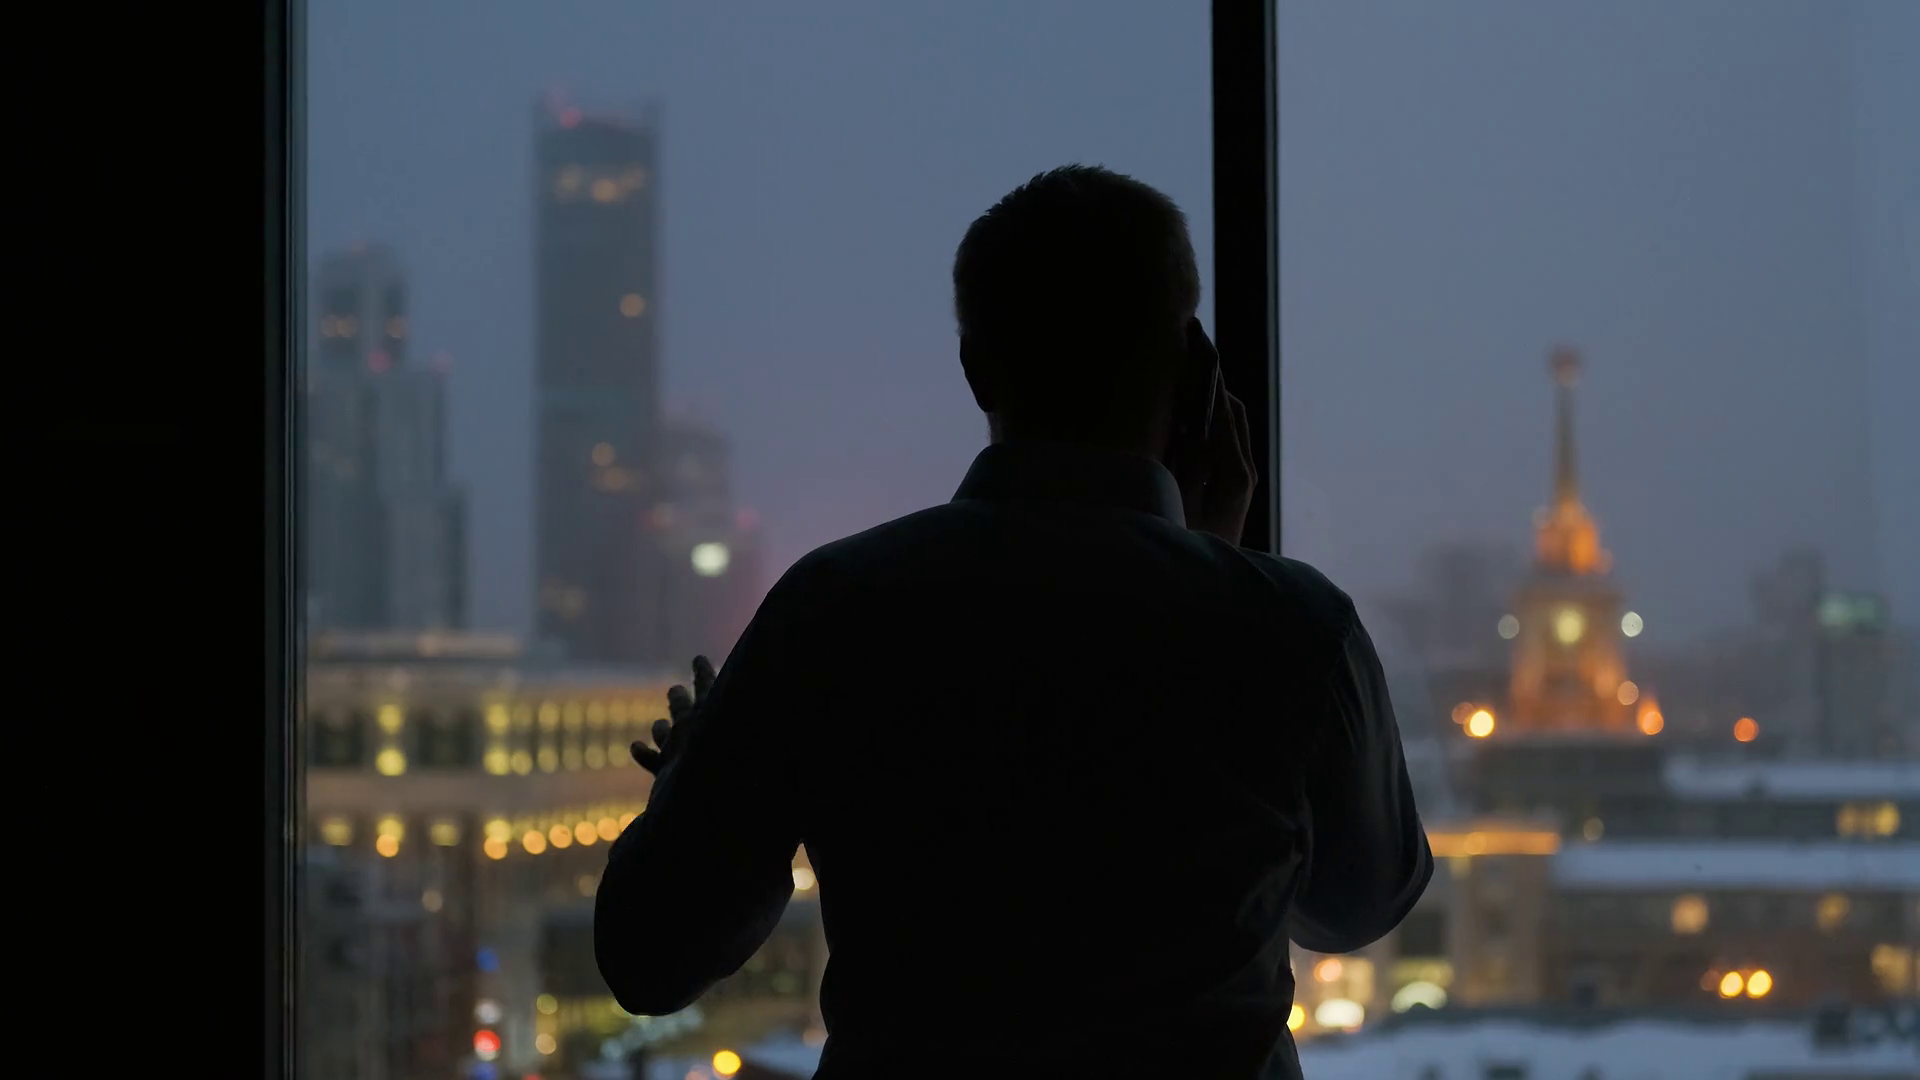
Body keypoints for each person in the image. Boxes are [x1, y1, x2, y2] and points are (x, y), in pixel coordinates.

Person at [596, 165, 1432, 1079]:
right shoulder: (1295, 627)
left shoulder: (834, 609)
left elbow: (651, 955)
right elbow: (1356, 907)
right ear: (1195, 366)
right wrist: (1214, 569)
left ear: (975, 368)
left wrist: (698, 779)